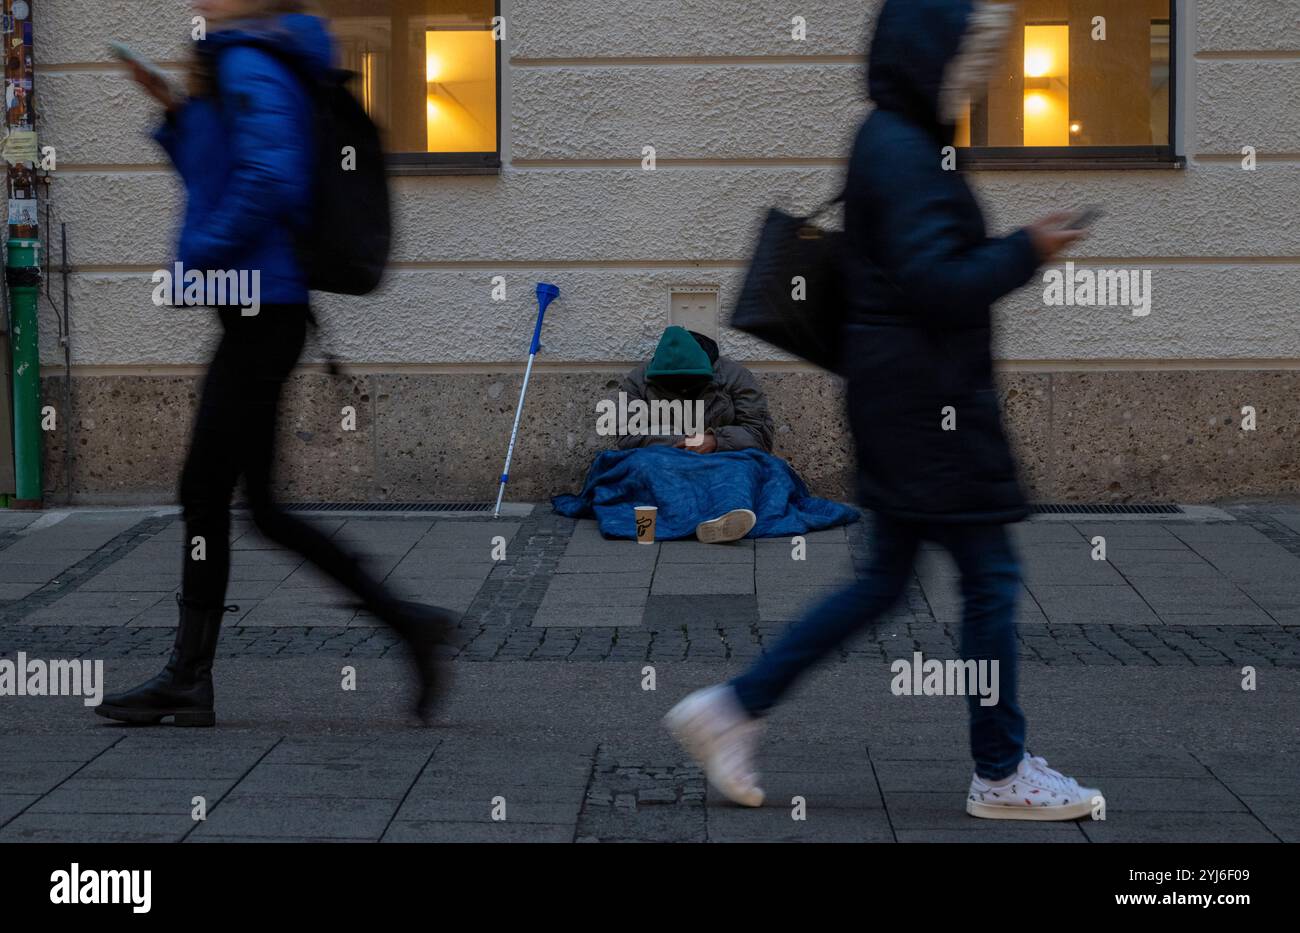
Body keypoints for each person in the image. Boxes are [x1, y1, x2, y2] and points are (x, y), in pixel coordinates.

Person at [666, 0, 1105, 820]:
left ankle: (730, 708)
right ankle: (1002, 772)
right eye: (969, 57)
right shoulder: (906, 151)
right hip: (930, 411)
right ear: (929, 56)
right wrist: (1027, 249)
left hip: (902, 401)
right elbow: (937, 284)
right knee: (990, 581)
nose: (983, 73)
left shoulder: (895, 134)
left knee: (882, 581)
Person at [97, 0, 451, 727]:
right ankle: (408, 625)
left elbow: (270, 177)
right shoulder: (243, 58)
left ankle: (190, 678)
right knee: (259, 508)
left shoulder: (254, 59)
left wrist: (200, 254)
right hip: (259, 309)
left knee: (205, 488)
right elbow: (226, 166)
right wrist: (172, 104)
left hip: (263, 313)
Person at [612, 327, 776, 542]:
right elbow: (626, 435)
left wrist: (716, 440)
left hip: (722, 456)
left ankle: (728, 518)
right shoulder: (639, 380)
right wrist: (684, 441)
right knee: (644, 465)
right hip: (665, 457)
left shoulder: (734, 376)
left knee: (740, 470)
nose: (682, 389)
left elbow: (759, 434)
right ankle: (694, 522)